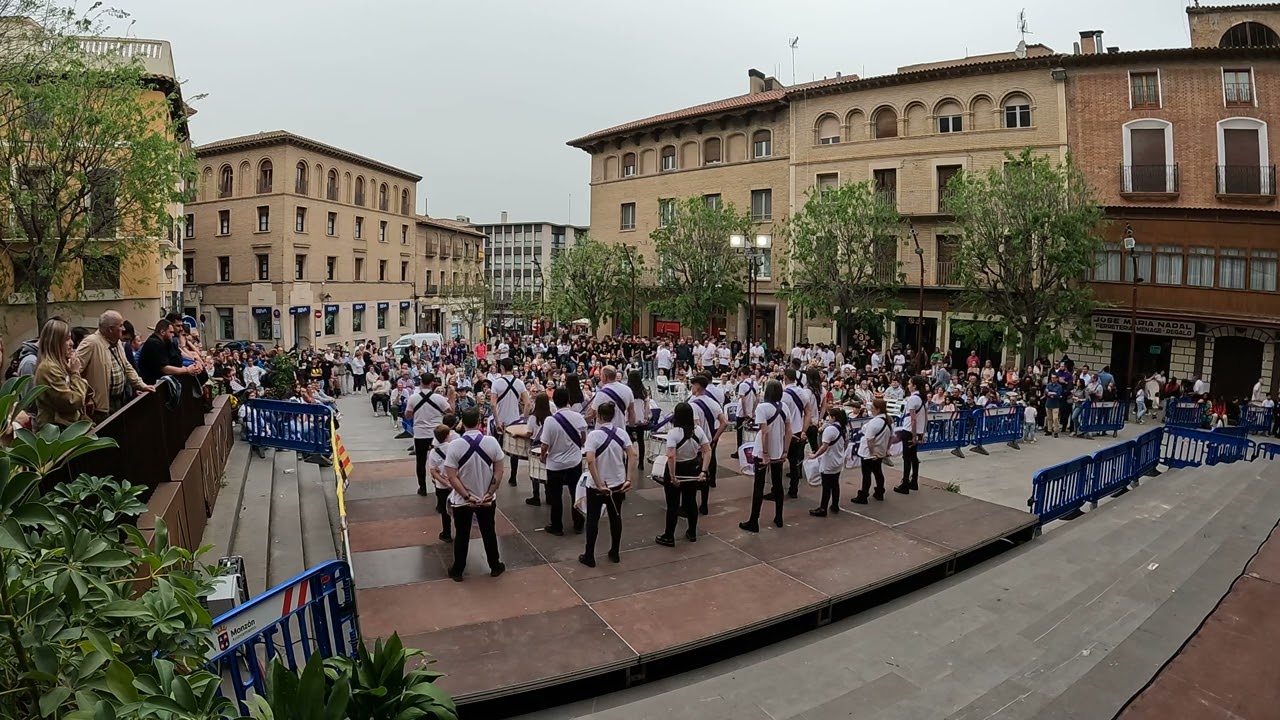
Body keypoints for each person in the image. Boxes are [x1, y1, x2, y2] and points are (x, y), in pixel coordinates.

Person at [443, 408, 506, 582]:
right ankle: (495, 565)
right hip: (486, 498)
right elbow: (499, 471)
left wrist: (465, 496)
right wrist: (490, 493)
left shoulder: (454, 445)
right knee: (489, 532)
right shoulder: (491, 442)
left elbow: (451, 476)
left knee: (462, 535)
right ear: (479, 421)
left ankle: (458, 570)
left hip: (462, 501)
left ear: (462, 423)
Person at [580, 402, 635, 567]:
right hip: (617, 483)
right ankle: (615, 552)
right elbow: (632, 456)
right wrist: (629, 479)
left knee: (592, 519)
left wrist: (598, 484)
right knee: (616, 517)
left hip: (597, 485)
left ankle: (589, 555)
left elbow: (590, 461)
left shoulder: (594, 436)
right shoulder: (622, 434)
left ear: (599, 416)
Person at [76, 310, 153, 422]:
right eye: (120, 325)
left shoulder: (117, 342)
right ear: (110, 329)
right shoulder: (91, 343)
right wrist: (87, 397)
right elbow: (74, 372)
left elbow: (126, 366)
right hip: (100, 406)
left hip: (120, 400)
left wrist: (141, 385)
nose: (123, 329)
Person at [655, 402, 711, 547]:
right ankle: (692, 532)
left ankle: (669, 535)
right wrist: (704, 470)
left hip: (677, 468)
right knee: (690, 501)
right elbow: (707, 450)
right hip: (692, 467)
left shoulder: (674, 433)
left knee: (672, 504)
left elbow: (672, 456)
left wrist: (673, 476)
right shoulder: (698, 431)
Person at [740, 380, 789, 533]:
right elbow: (789, 431)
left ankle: (754, 521)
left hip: (763, 452)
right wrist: (785, 450)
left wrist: (765, 453)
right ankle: (779, 517)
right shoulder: (784, 407)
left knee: (759, 486)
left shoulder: (762, 408)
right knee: (778, 484)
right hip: (778, 451)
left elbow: (765, 432)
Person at [540, 386, 587, 535]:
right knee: (576, 493)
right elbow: (583, 438)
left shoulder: (550, 421)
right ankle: (579, 524)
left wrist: (542, 456)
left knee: (556, 497)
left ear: (554, 400)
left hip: (555, 464)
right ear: (568, 400)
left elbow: (545, 444)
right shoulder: (578, 417)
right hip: (574, 461)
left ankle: (557, 526)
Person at [32, 318, 93, 430]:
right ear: (55, 342)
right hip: (57, 435)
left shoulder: (59, 366)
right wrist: (75, 373)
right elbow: (73, 402)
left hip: (66, 430)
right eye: (67, 339)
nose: (72, 343)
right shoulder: (48, 369)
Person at [408, 372, 453, 497]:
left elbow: (407, 415)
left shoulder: (413, 398)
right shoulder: (438, 398)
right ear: (433, 383)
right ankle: (439, 487)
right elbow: (449, 412)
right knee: (440, 461)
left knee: (420, 462)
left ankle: (422, 488)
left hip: (420, 433)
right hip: (437, 433)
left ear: (421, 382)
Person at [689, 375, 727, 515]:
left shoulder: (693, 405)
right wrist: (714, 438)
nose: (691, 388)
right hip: (709, 443)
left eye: (693, 386)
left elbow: (696, 425)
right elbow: (724, 422)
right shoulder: (713, 403)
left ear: (698, 387)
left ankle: (691, 504)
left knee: (693, 474)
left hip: (697, 445)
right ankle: (704, 504)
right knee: (705, 473)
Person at [489, 358, 530, 487]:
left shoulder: (496, 383)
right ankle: (513, 477)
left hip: (501, 420)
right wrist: (523, 418)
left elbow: (493, 405)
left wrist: (497, 421)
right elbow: (528, 403)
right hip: (515, 421)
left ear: (502, 368)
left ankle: (494, 476)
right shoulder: (519, 383)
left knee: (495, 449)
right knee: (514, 451)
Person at [808, 406, 848, 517]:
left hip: (829, 461)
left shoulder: (830, 430)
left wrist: (815, 455)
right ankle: (835, 505)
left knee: (826, 486)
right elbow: (846, 443)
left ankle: (823, 508)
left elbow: (824, 446)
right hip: (839, 460)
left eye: (829, 416)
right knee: (835, 484)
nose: (827, 418)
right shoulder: (844, 428)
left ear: (833, 417)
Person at [852, 398, 892, 505]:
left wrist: (872, 452)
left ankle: (863, 495)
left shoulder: (875, 422)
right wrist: (886, 449)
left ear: (878, 409)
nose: (871, 410)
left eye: (872, 408)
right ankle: (879, 492)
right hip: (880, 452)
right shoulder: (888, 421)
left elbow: (870, 440)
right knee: (878, 472)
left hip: (868, 453)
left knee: (867, 474)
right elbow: (891, 437)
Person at [782, 369, 814, 499]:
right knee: (794, 462)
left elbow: (781, 415)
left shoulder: (784, 395)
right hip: (798, 430)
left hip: (786, 431)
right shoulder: (802, 392)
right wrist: (803, 430)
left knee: (779, 460)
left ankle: (777, 489)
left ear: (785, 378)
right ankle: (793, 489)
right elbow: (808, 413)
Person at [893, 376, 927, 495]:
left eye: (909, 383)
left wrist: (913, 435)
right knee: (913, 457)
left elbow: (913, 419)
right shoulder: (923, 398)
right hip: (918, 431)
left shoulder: (913, 399)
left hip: (909, 431)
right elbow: (925, 417)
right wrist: (921, 433)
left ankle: (905, 484)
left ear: (915, 386)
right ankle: (914, 481)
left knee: (907, 458)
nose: (908, 385)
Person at [137, 319, 196, 385]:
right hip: (153, 385)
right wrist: (187, 370)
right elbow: (165, 369)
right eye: (171, 332)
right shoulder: (155, 344)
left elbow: (177, 360)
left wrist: (192, 366)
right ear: (162, 332)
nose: (173, 335)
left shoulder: (165, 343)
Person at [428, 423, 458, 541]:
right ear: (447, 436)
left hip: (441, 485)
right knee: (458, 507)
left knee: (445, 511)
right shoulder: (454, 448)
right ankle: (460, 530)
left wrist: (445, 483)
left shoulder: (433, 452)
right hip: (456, 483)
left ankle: (446, 533)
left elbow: (433, 471)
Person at [525, 392, 553, 506]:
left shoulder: (533, 417)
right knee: (546, 471)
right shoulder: (551, 416)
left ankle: (536, 497)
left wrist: (517, 435)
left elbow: (529, 433)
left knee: (535, 471)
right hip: (547, 446)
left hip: (535, 445)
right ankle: (548, 496)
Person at [589, 365, 635, 431]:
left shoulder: (601, 393)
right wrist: (631, 427)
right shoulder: (627, 390)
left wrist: (582, 421)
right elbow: (631, 411)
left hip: (603, 431)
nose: (600, 377)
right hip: (620, 429)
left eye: (601, 375)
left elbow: (592, 413)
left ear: (605, 377)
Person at [624, 369, 649, 479]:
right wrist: (646, 417)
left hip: (628, 419)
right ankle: (641, 463)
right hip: (640, 419)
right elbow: (647, 406)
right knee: (641, 441)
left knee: (627, 442)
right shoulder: (643, 391)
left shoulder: (627, 391)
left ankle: (628, 461)